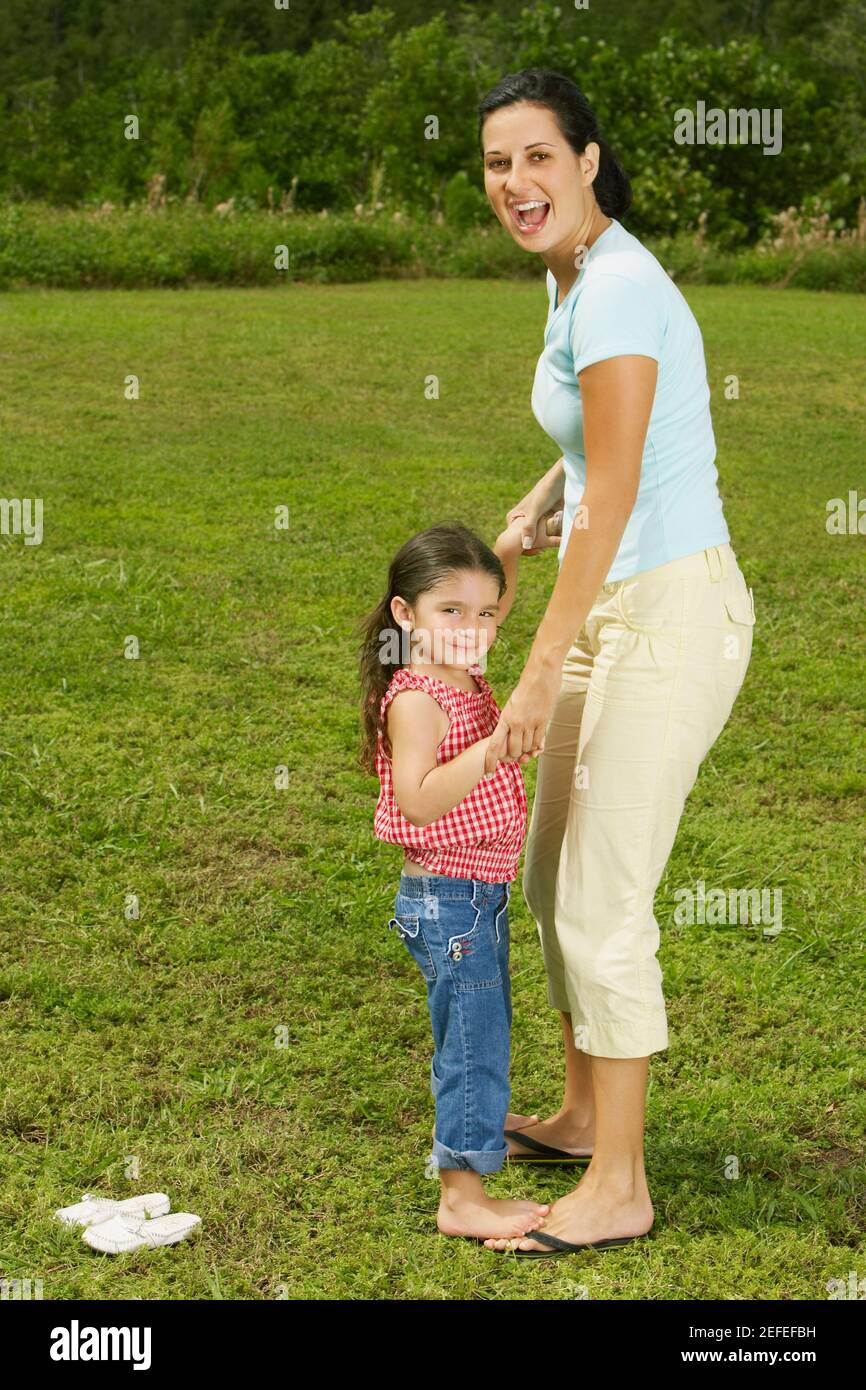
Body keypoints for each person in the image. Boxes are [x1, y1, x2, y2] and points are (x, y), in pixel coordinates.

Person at [476, 69, 757, 1258]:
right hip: (612, 600)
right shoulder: (577, 276)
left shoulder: (621, 290)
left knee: (600, 899)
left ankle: (621, 1188)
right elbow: (601, 443)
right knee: (550, 882)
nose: (515, 183)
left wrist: (537, 668)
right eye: (497, 163)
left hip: (668, 615)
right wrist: (544, 495)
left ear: (587, 160)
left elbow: (627, 484)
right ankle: (586, 1111)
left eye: (538, 157)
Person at [357, 520, 550, 1241]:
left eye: (486, 614)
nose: (473, 628)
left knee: (482, 1030)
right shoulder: (421, 699)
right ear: (405, 616)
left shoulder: (459, 663)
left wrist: (517, 535)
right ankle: (462, 1197)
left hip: (474, 897)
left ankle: (483, 1124)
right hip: (451, 903)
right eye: (451, 612)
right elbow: (417, 798)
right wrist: (494, 751)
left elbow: (493, 578)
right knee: (473, 1043)